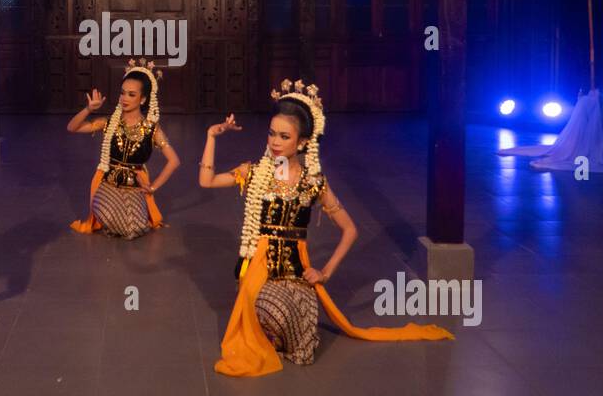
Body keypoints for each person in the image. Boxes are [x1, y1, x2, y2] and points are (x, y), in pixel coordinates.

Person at [200, 79, 453, 377]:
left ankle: (282, 335)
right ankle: (267, 331)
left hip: (296, 273)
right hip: (259, 266)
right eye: (271, 133)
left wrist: (325, 271)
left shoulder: (313, 182)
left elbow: (350, 229)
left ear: (303, 142)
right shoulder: (254, 172)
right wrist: (211, 137)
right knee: (265, 305)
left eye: (284, 136)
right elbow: (207, 181)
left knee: (303, 344)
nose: (275, 142)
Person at [66, 58, 180, 239]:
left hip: (134, 188)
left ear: (143, 99)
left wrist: (153, 187)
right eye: (123, 93)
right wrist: (88, 109)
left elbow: (174, 161)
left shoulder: (152, 129)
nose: (125, 98)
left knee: (134, 228)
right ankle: (107, 216)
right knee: (113, 217)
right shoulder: (109, 122)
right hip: (107, 185)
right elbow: (72, 128)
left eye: (131, 94)